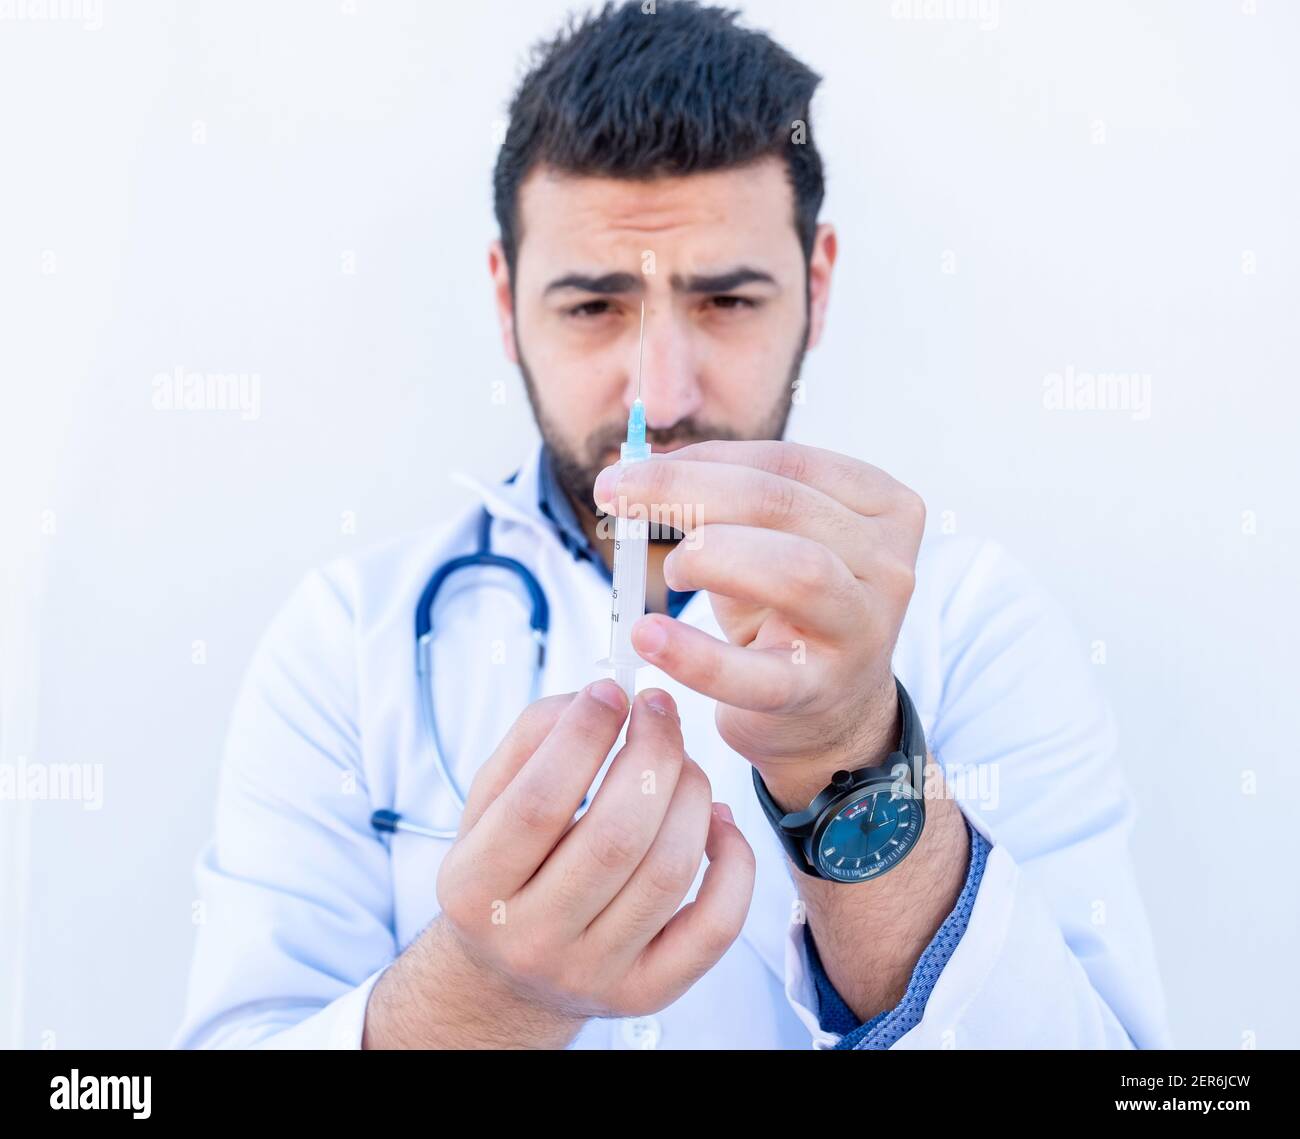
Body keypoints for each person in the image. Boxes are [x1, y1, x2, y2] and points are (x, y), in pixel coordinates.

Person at [174, 0, 1171, 1050]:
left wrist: (852, 754)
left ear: (815, 287)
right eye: (593, 305)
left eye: (727, 301)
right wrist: (485, 991)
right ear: (507, 297)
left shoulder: (970, 622)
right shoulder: (345, 642)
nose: (659, 389)